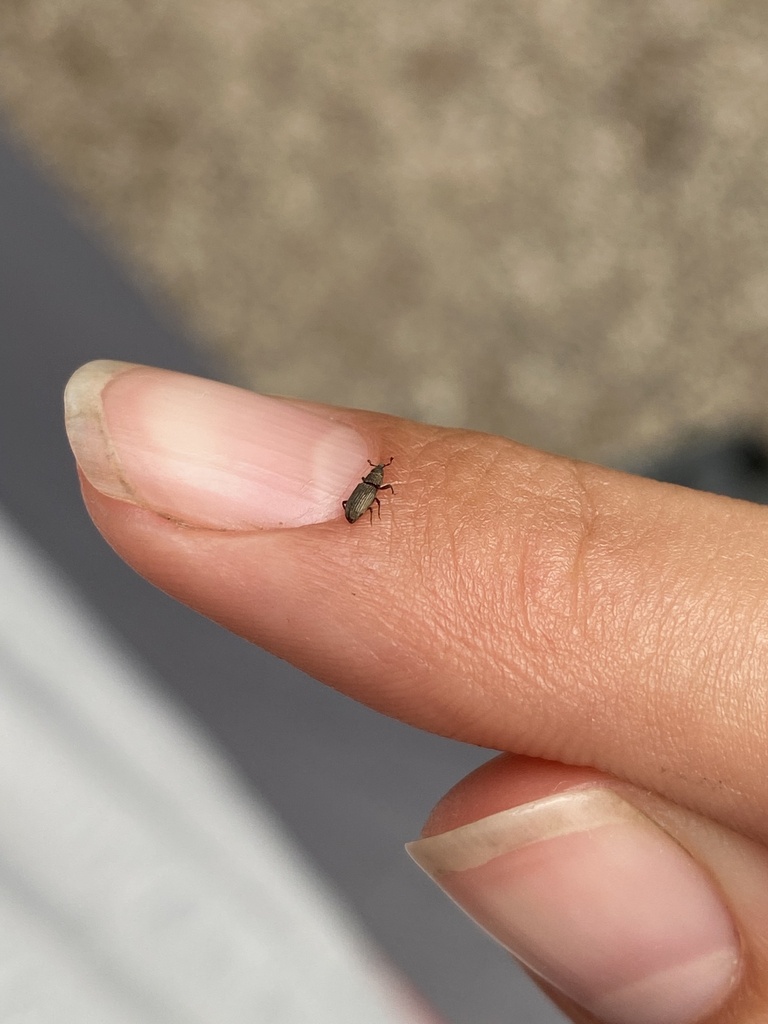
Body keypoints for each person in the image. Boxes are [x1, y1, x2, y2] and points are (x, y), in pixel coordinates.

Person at [64, 359, 768, 1024]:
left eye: (372, 481)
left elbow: (365, 498)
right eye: (372, 481)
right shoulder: (370, 493)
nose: (371, 482)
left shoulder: (367, 491)